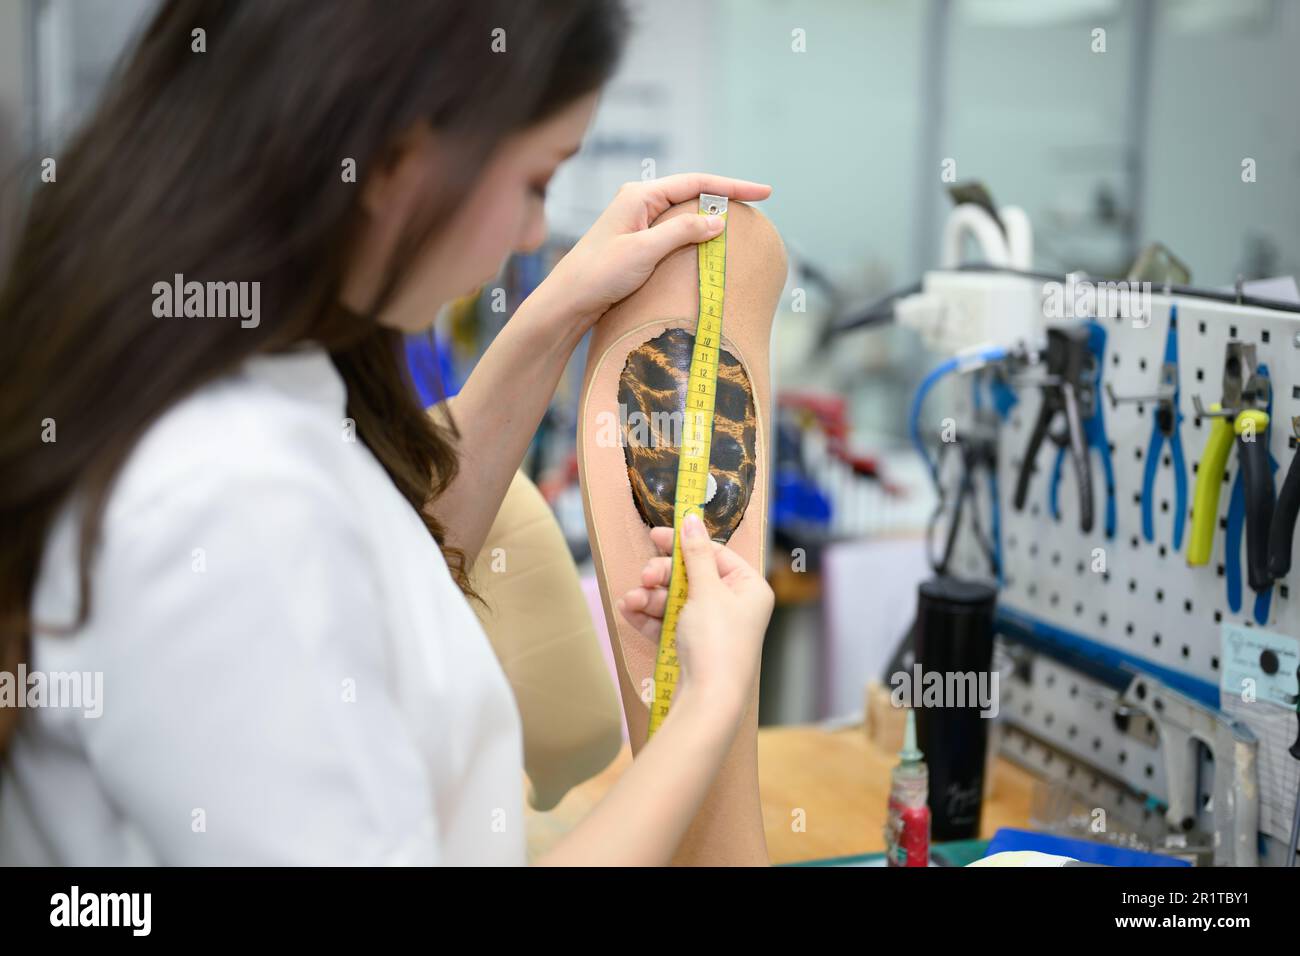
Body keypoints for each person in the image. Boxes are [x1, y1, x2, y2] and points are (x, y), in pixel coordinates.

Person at [0, 0, 775, 866]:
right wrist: (708, 704)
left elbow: (399, 556)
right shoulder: (222, 497)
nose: (532, 233)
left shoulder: (254, 380)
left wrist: (560, 307)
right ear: (394, 158)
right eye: (535, 183)